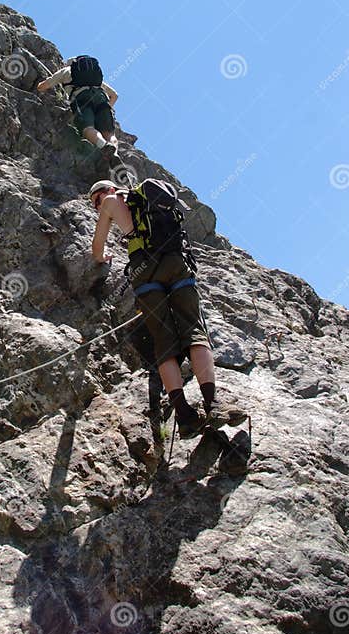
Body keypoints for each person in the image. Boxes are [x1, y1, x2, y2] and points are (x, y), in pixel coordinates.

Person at [88, 179, 247, 439]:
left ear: (104, 192)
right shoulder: (147, 197)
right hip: (175, 261)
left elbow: (97, 247)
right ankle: (213, 404)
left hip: (145, 272)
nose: (97, 206)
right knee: (194, 331)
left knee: (164, 341)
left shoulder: (110, 202)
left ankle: (184, 415)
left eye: (95, 201)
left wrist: (102, 257)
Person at [36, 55, 121, 165]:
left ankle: (104, 146)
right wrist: (106, 107)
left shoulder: (66, 71)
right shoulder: (95, 80)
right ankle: (114, 154)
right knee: (109, 133)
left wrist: (38, 86)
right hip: (101, 98)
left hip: (82, 99)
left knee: (87, 129)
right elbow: (115, 95)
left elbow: (44, 86)